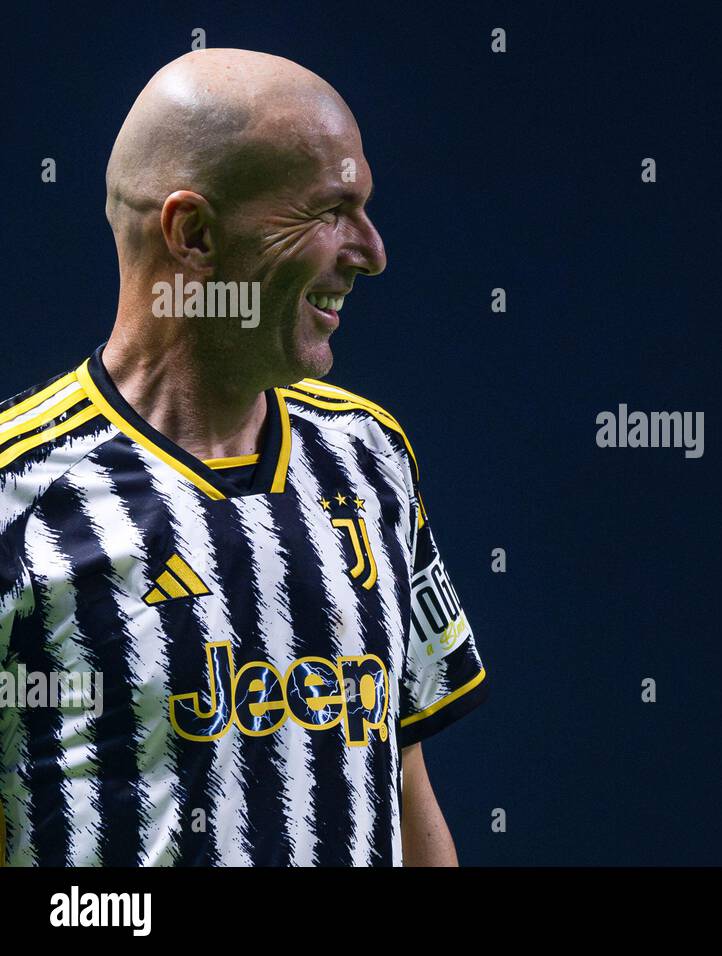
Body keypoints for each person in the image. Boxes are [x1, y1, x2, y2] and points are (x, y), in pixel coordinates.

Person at [0, 48, 487, 866]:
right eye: (331, 211)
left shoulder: (369, 457)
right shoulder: (19, 491)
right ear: (192, 233)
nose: (370, 251)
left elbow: (405, 785)